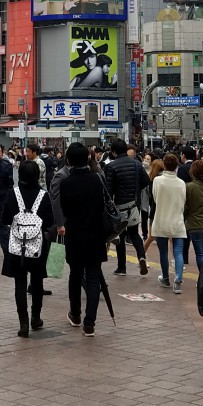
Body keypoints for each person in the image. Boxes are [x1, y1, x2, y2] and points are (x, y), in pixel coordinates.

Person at [57, 142, 108, 336]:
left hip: (75, 234)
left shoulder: (65, 183)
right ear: (88, 158)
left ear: (68, 160)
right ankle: (90, 323)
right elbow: (102, 205)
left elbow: (66, 210)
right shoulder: (97, 180)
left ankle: (75, 314)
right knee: (94, 277)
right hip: (95, 234)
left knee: (75, 275)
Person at [0, 159, 54, 337]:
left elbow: (5, 219)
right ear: (38, 175)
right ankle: (35, 318)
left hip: (17, 246)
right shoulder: (43, 196)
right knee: (37, 282)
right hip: (38, 245)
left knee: (20, 282)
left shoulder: (12, 194)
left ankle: (23, 322)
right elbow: (49, 222)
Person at [103, 140, 150, 276]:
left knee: (120, 236)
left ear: (113, 151)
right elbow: (146, 181)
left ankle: (121, 267)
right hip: (134, 204)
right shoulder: (136, 164)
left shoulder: (111, 166)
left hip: (119, 206)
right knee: (135, 234)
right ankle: (141, 257)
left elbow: (109, 189)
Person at [151, 153, 188, 294]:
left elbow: (155, 198)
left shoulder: (157, 181)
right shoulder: (181, 183)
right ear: (176, 166)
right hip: (177, 220)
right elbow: (183, 201)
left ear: (164, 165)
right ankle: (178, 279)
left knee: (163, 252)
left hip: (161, 219)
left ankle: (165, 277)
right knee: (178, 251)